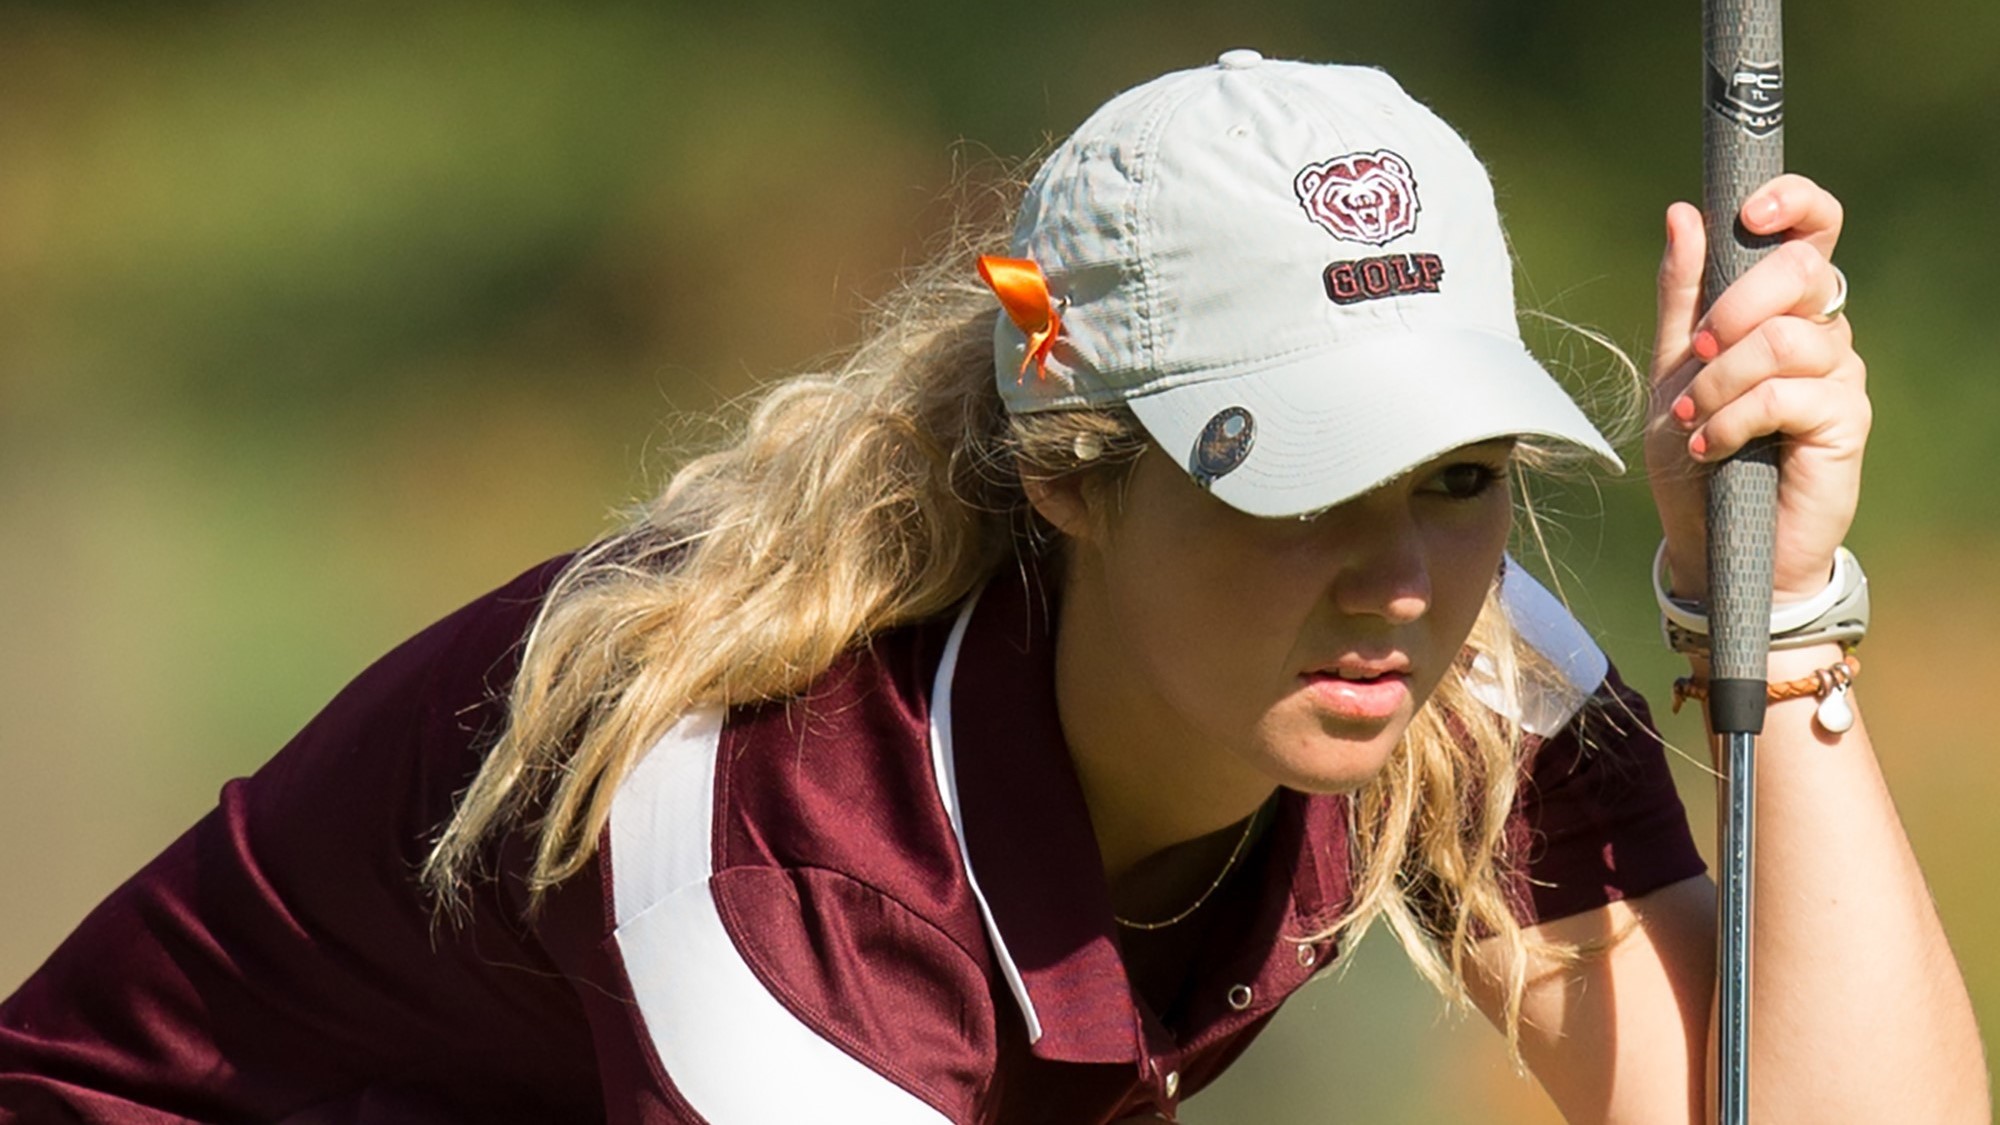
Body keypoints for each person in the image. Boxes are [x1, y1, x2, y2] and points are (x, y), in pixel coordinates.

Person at [0, 51, 1984, 1124]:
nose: (1396, 570)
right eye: (1291, 481)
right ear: (1073, 476)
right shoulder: (783, 838)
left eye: (1458, 474)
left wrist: (1775, 607)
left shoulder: (1444, 661)